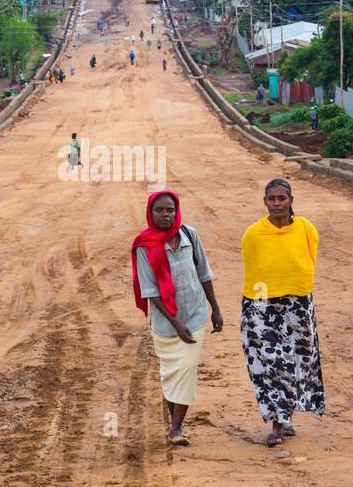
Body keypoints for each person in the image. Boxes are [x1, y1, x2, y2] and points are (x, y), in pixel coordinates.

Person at [132, 190, 223, 446]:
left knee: (187, 369)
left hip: (195, 316)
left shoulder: (189, 235)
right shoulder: (144, 246)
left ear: (176, 211)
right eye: (159, 210)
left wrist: (215, 308)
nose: (165, 215)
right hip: (166, 324)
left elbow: (204, 273)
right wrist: (175, 324)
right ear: (150, 213)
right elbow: (150, 291)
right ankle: (175, 424)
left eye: (170, 210)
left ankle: (176, 428)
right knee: (171, 374)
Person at [240, 178, 325, 447]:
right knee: (270, 362)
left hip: (298, 304)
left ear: (291, 200)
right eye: (271, 199)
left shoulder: (305, 228)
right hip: (262, 307)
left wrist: (295, 289)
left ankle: (285, 415)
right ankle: (277, 424)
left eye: (282, 198)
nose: (277, 204)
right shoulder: (254, 233)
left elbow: (309, 259)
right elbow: (253, 268)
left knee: (298, 360)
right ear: (264, 202)